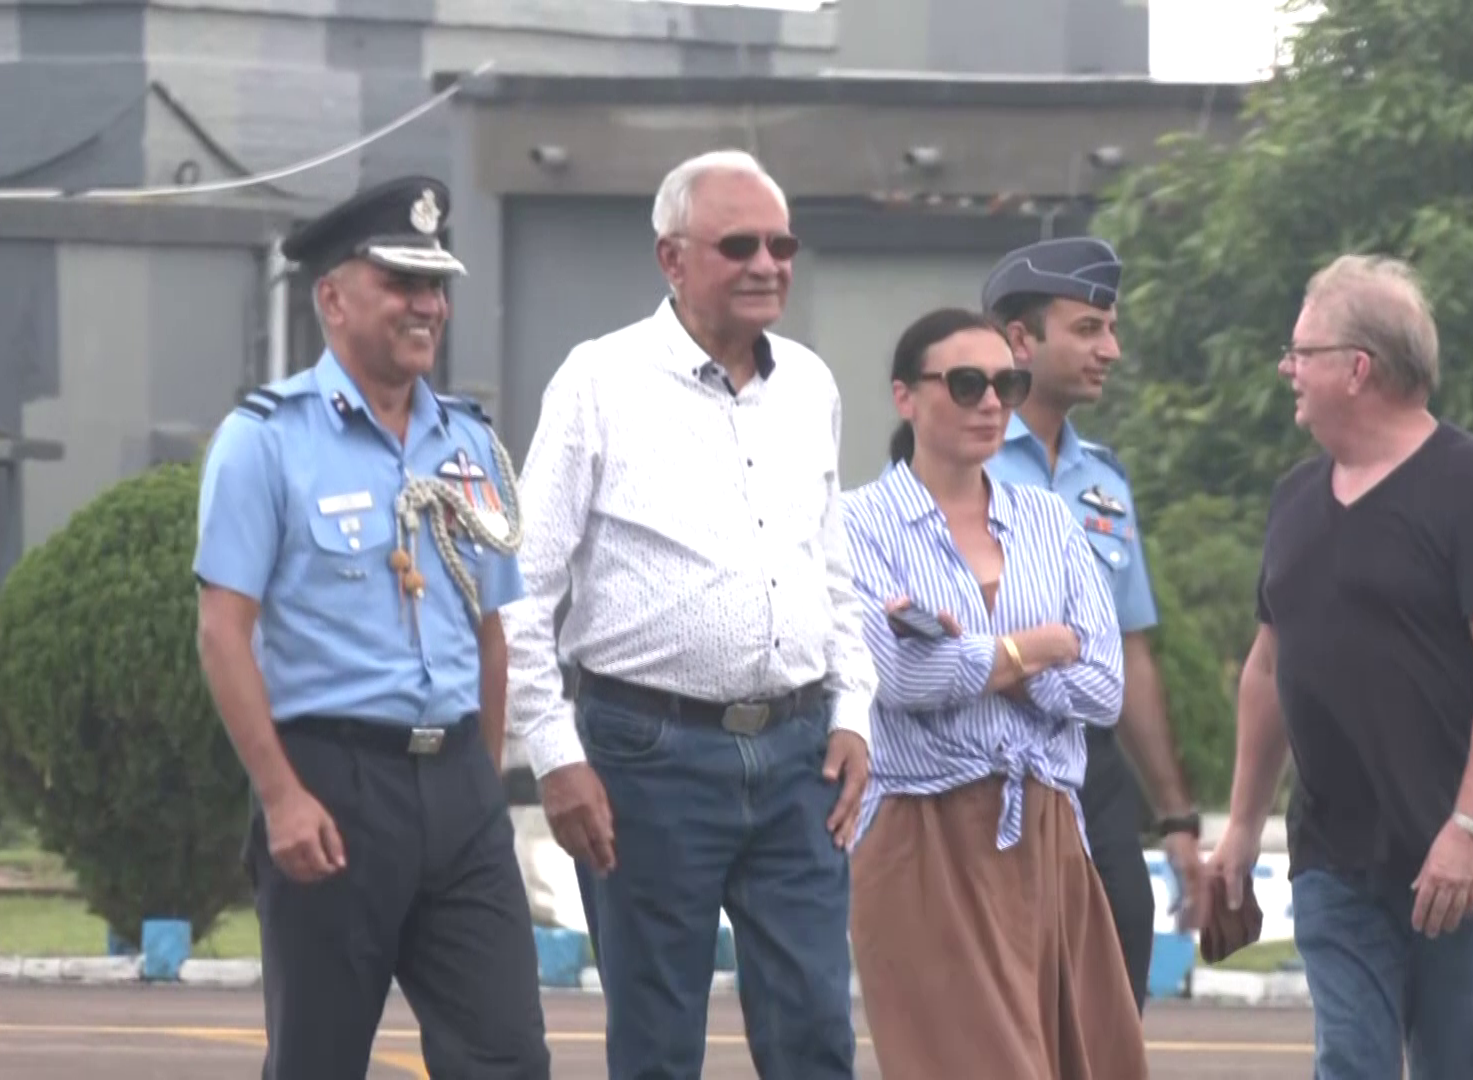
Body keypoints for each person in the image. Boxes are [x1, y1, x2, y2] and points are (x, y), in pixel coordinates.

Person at [499, 149, 878, 1080]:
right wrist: (556, 756)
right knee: (661, 1044)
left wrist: (854, 710)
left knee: (815, 1036)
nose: (767, 264)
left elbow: (830, 566)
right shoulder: (599, 381)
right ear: (672, 259)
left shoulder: (812, 387)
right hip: (644, 755)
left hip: (797, 761)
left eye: (781, 244)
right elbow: (522, 588)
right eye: (738, 244)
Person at [193, 176, 550, 1079]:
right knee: (319, 1060)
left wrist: (480, 767)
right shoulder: (266, 439)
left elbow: (491, 628)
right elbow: (224, 631)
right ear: (333, 296)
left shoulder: (469, 444)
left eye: (436, 286)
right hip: (333, 785)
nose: (427, 305)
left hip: (459, 791)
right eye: (401, 281)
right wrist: (280, 795)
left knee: (507, 1057)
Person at [1207, 253, 1473, 1079]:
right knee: (1352, 1060)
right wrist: (1243, 827)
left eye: (1302, 352)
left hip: (1455, 856)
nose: (1288, 369)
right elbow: (1267, 669)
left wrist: (1471, 829)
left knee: (1454, 1065)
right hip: (1334, 853)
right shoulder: (1296, 498)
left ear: (1358, 368)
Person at [840, 307, 1149, 1080]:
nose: (991, 403)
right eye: (967, 383)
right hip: (921, 828)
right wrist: (1037, 646)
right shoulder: (857, 524)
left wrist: (981, 662)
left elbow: (1105, 688)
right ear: (905, 397)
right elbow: (905, 679)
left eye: (1006, 384)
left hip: (1047, 828)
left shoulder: (1049, 520)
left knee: (1082, 1060)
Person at [980, 235, 1205, 1010]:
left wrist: (1175, 816)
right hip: (987, 767)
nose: (1109, 349)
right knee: (1004, 1017)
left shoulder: (1103, 481)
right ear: (1020, 339)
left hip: (1093, 770)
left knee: (1115, 987)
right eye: (1086, 330)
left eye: (1110, 329)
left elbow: (1130, 653)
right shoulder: (953, 463)